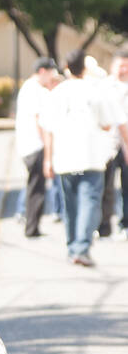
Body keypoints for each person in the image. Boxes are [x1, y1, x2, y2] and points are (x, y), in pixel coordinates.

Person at [41, 51, 128, 266]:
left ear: (67, 66)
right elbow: (110, 123)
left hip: (64, 157)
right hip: (92, 156)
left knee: (70, 205)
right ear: (85, 68)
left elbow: (48, 129)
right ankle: (81, 247)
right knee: (90, 202)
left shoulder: (57, 93)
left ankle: (73, 247)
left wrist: (48, 159)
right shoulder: (96, 91)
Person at [14, 58, 63, 237]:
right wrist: (47, 146)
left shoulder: (29, 87)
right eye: (51, 73)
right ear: (43, 71)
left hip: (29, 145)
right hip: (35, 145)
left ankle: (32, 226)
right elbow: (39, 121)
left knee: (35, 187)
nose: (52, 77)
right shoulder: (34, 88)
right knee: (37, 188)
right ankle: (32, 228)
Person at [98, 48, 128, 240]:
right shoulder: (103, 87)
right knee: (105, 187)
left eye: (126, 66)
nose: (123, 69)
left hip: (126, 144)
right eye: (120, 65)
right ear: (112, 66)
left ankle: (125, 223)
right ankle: (104, 226)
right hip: (108, 144)